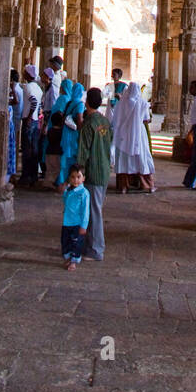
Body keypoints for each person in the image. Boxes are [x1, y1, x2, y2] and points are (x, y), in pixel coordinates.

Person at [78, 87, 113, 261]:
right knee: (93, 209)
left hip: (92, 172)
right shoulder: (105, 122)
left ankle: (96, 249)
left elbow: (83, 150)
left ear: (87, 103)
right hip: (104, 170)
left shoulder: (89, 123)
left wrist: (78, 170)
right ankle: (88, 245)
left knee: (93, 211)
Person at [111, 81, 156, 192]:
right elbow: (146, 120)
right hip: (138, 134)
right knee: (141, 158)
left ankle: (123, 186)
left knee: (123, 160)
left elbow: (115, 119)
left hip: (123, 135)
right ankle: (145, 185)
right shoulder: (143, 103)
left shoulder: (121, 103)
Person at [61, 164, 90, 271]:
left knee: (76, 243)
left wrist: (84, 226)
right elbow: (65, 201)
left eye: (78, 177)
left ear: (83, 178)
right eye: (72, 177)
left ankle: (74, 261)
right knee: (65, 242)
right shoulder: (68, 190)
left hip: (77, 223)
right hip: (66, 222)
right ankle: (68, 258)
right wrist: (64, 191)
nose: (75, 180)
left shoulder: (84, 193)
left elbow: (86, 211)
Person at [57, 81, 85, 188]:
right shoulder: (80, 104)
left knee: (65, 158)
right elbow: (79, 120)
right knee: (73, 158)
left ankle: (63, 180)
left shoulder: (70, 102)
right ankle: (71, 182)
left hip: (66, 133)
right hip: (73, 134)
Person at [19, 64, 42, 187]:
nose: (23, 74)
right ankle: (33, 176)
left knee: (27, 150)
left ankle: (26, 176)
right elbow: (39, 105)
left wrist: (28, 117)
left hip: (29, 121)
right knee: (34, 150)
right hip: (35, 121)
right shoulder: (38, 87)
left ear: (28, 74)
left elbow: (33, 102)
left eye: (24, 72)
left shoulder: (28, 87)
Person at [9, 69, 23, 177]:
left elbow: (15, 101)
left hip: (14, 119)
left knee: (12, 146)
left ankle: (12, 171)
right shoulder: (20, 89)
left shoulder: (15, 90)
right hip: (18, 118)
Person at [45, 110, 64, 187]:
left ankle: (47, 182)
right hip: (57, 153)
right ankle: (49, 183)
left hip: (48, 151)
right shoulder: (61, 132)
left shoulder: (50, 130)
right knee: (56, 169)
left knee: (49, 169)